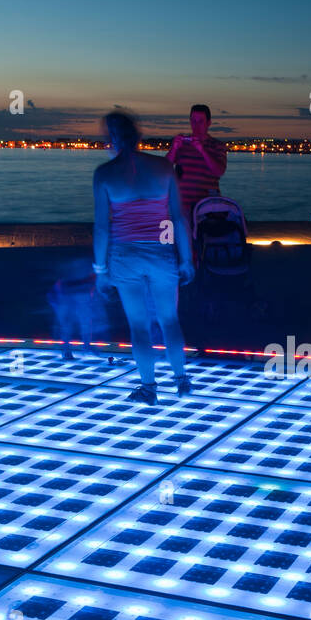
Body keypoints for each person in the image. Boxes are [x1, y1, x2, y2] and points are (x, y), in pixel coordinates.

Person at [94, 111, 195, 404]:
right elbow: (178, 217)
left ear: (112, 139)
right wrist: (186, 259)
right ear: (137, 136)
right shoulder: (163, 167)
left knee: (138, 325)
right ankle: (182, 380)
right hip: (161, 252)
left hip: (124, 256)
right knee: (169, 320)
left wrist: (100, 270)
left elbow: (102, 227)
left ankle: (149, 389)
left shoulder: (105, 173)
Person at [167, 104, 227, 224]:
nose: (196, 125)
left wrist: (202, 150)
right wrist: (174, 148)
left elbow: (219, 171)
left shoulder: (217, 145)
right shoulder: (183, 144)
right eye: (193, 121)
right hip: (182, 205)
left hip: (207, 206)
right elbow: (165, 167)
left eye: (200, 121)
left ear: (209, 123)